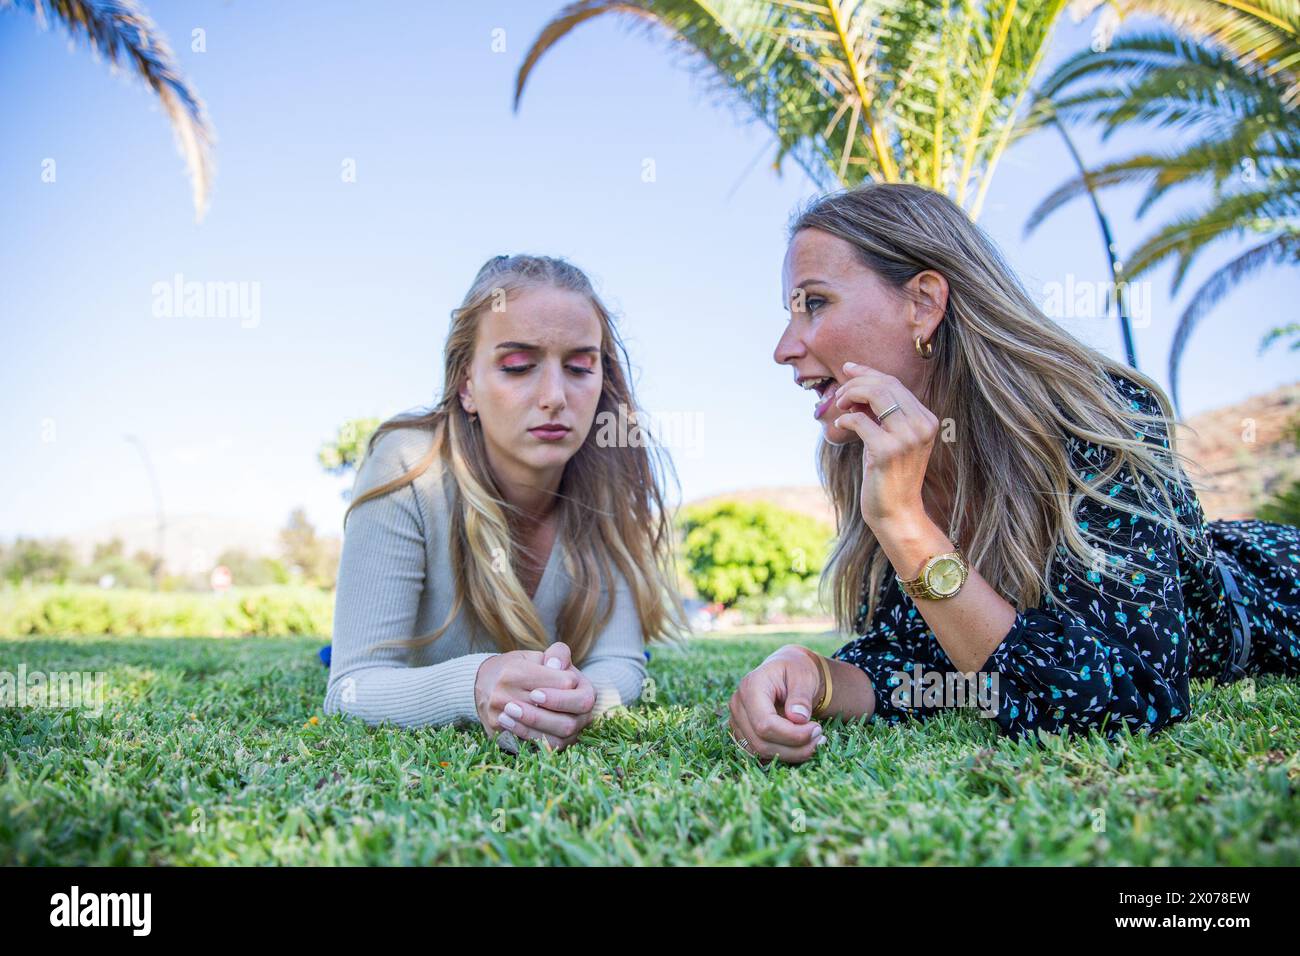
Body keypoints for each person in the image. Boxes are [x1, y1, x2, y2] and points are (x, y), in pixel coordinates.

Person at [728, 182, 1300, 763]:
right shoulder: (864, 456)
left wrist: (905, 525)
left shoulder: (1094, 419)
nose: (783, 347)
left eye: (814, 303)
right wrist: (810, 673)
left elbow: (1129, 697)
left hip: (1276, 585)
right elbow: (932, 670)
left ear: (923, 303)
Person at [324, 254, 686, 752]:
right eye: (517, 366)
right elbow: (352, 685)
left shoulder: (607, 479)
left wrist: (579, 702)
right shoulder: (406, 464)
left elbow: (621, 662)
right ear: (466, 384)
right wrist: (477, 684)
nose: (555, 396)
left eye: (580, 367)